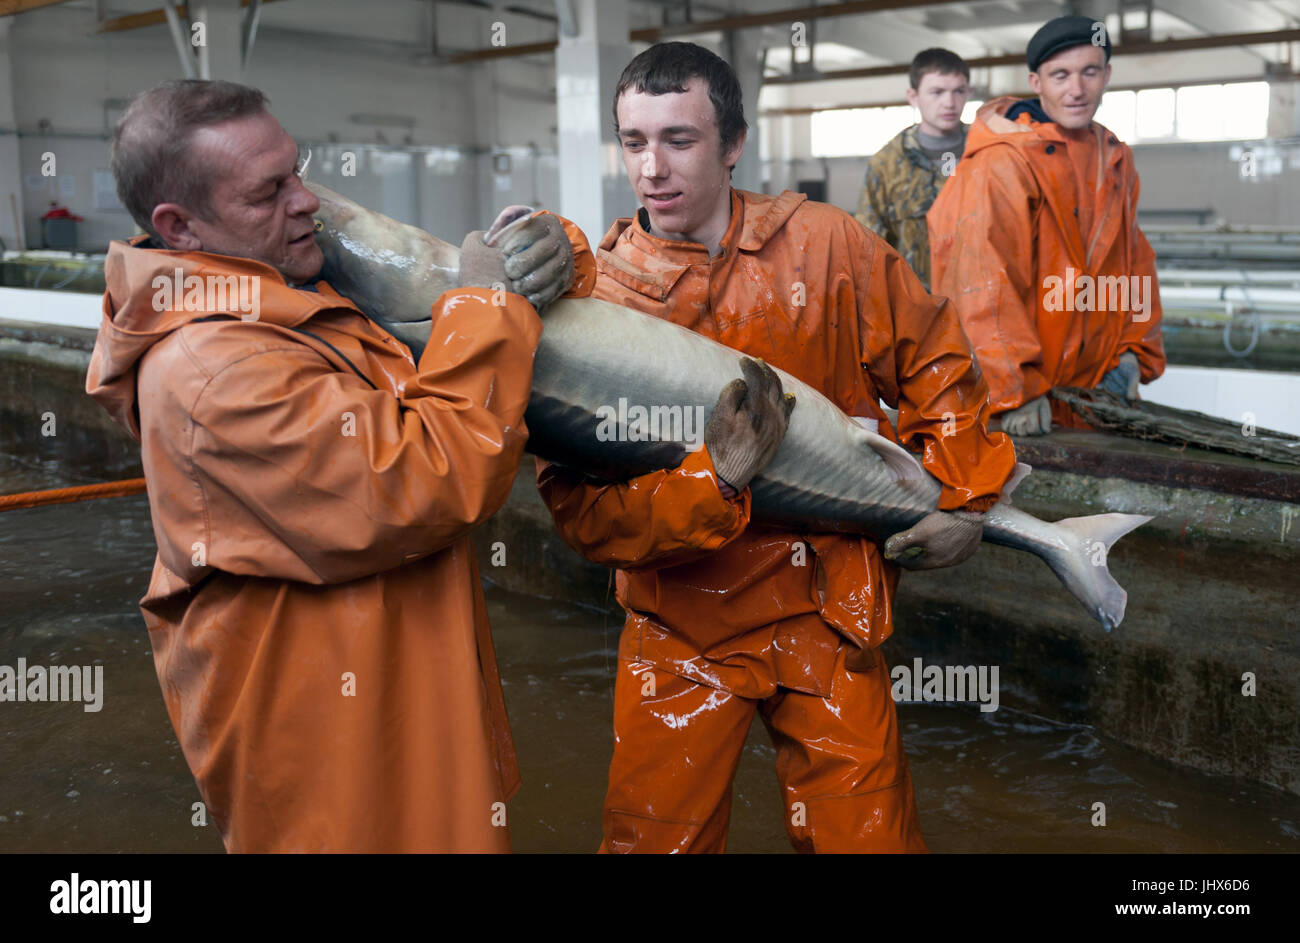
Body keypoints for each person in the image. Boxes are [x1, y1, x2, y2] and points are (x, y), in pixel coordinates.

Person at [536, 42, 1018, 853]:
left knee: (869, 843)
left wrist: (967, 495)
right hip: (679, 624)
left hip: (826, 608)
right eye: (633, 141)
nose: (652, 167)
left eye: (679, 140)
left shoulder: (827, 246)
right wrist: (713, 477)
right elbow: (585, 515)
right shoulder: (597, 302)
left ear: (733, 144)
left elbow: (936, 355)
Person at [84, 79, 578, 852]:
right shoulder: (215, 373)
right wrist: (483, 303)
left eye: (299, 169)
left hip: (403, 721)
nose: (307, 200)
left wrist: (546, 247)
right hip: (336, 771)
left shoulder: (285, 301)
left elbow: (411, 386)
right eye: (268, 192)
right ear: (178, 226)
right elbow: (431, 475)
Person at [928, 14, 1166, 436]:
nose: (1076, 90)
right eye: (1060, 75)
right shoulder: (1002, 162)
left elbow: (1135, 263)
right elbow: (983, 284)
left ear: (1107, 74)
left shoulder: (1114, 160)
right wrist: (1014, 388)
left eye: (1089, 72)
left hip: (1096, 399)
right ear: (1036, 82)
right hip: (1023, 409)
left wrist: (1133, 353)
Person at [855, 48, 971, 289]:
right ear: (913, 96)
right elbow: (867, 246)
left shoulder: (988, 152)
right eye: (937, 92)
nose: (949, 103)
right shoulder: (886, 164)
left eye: (958, 91)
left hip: (982, 304)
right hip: (916, 308)